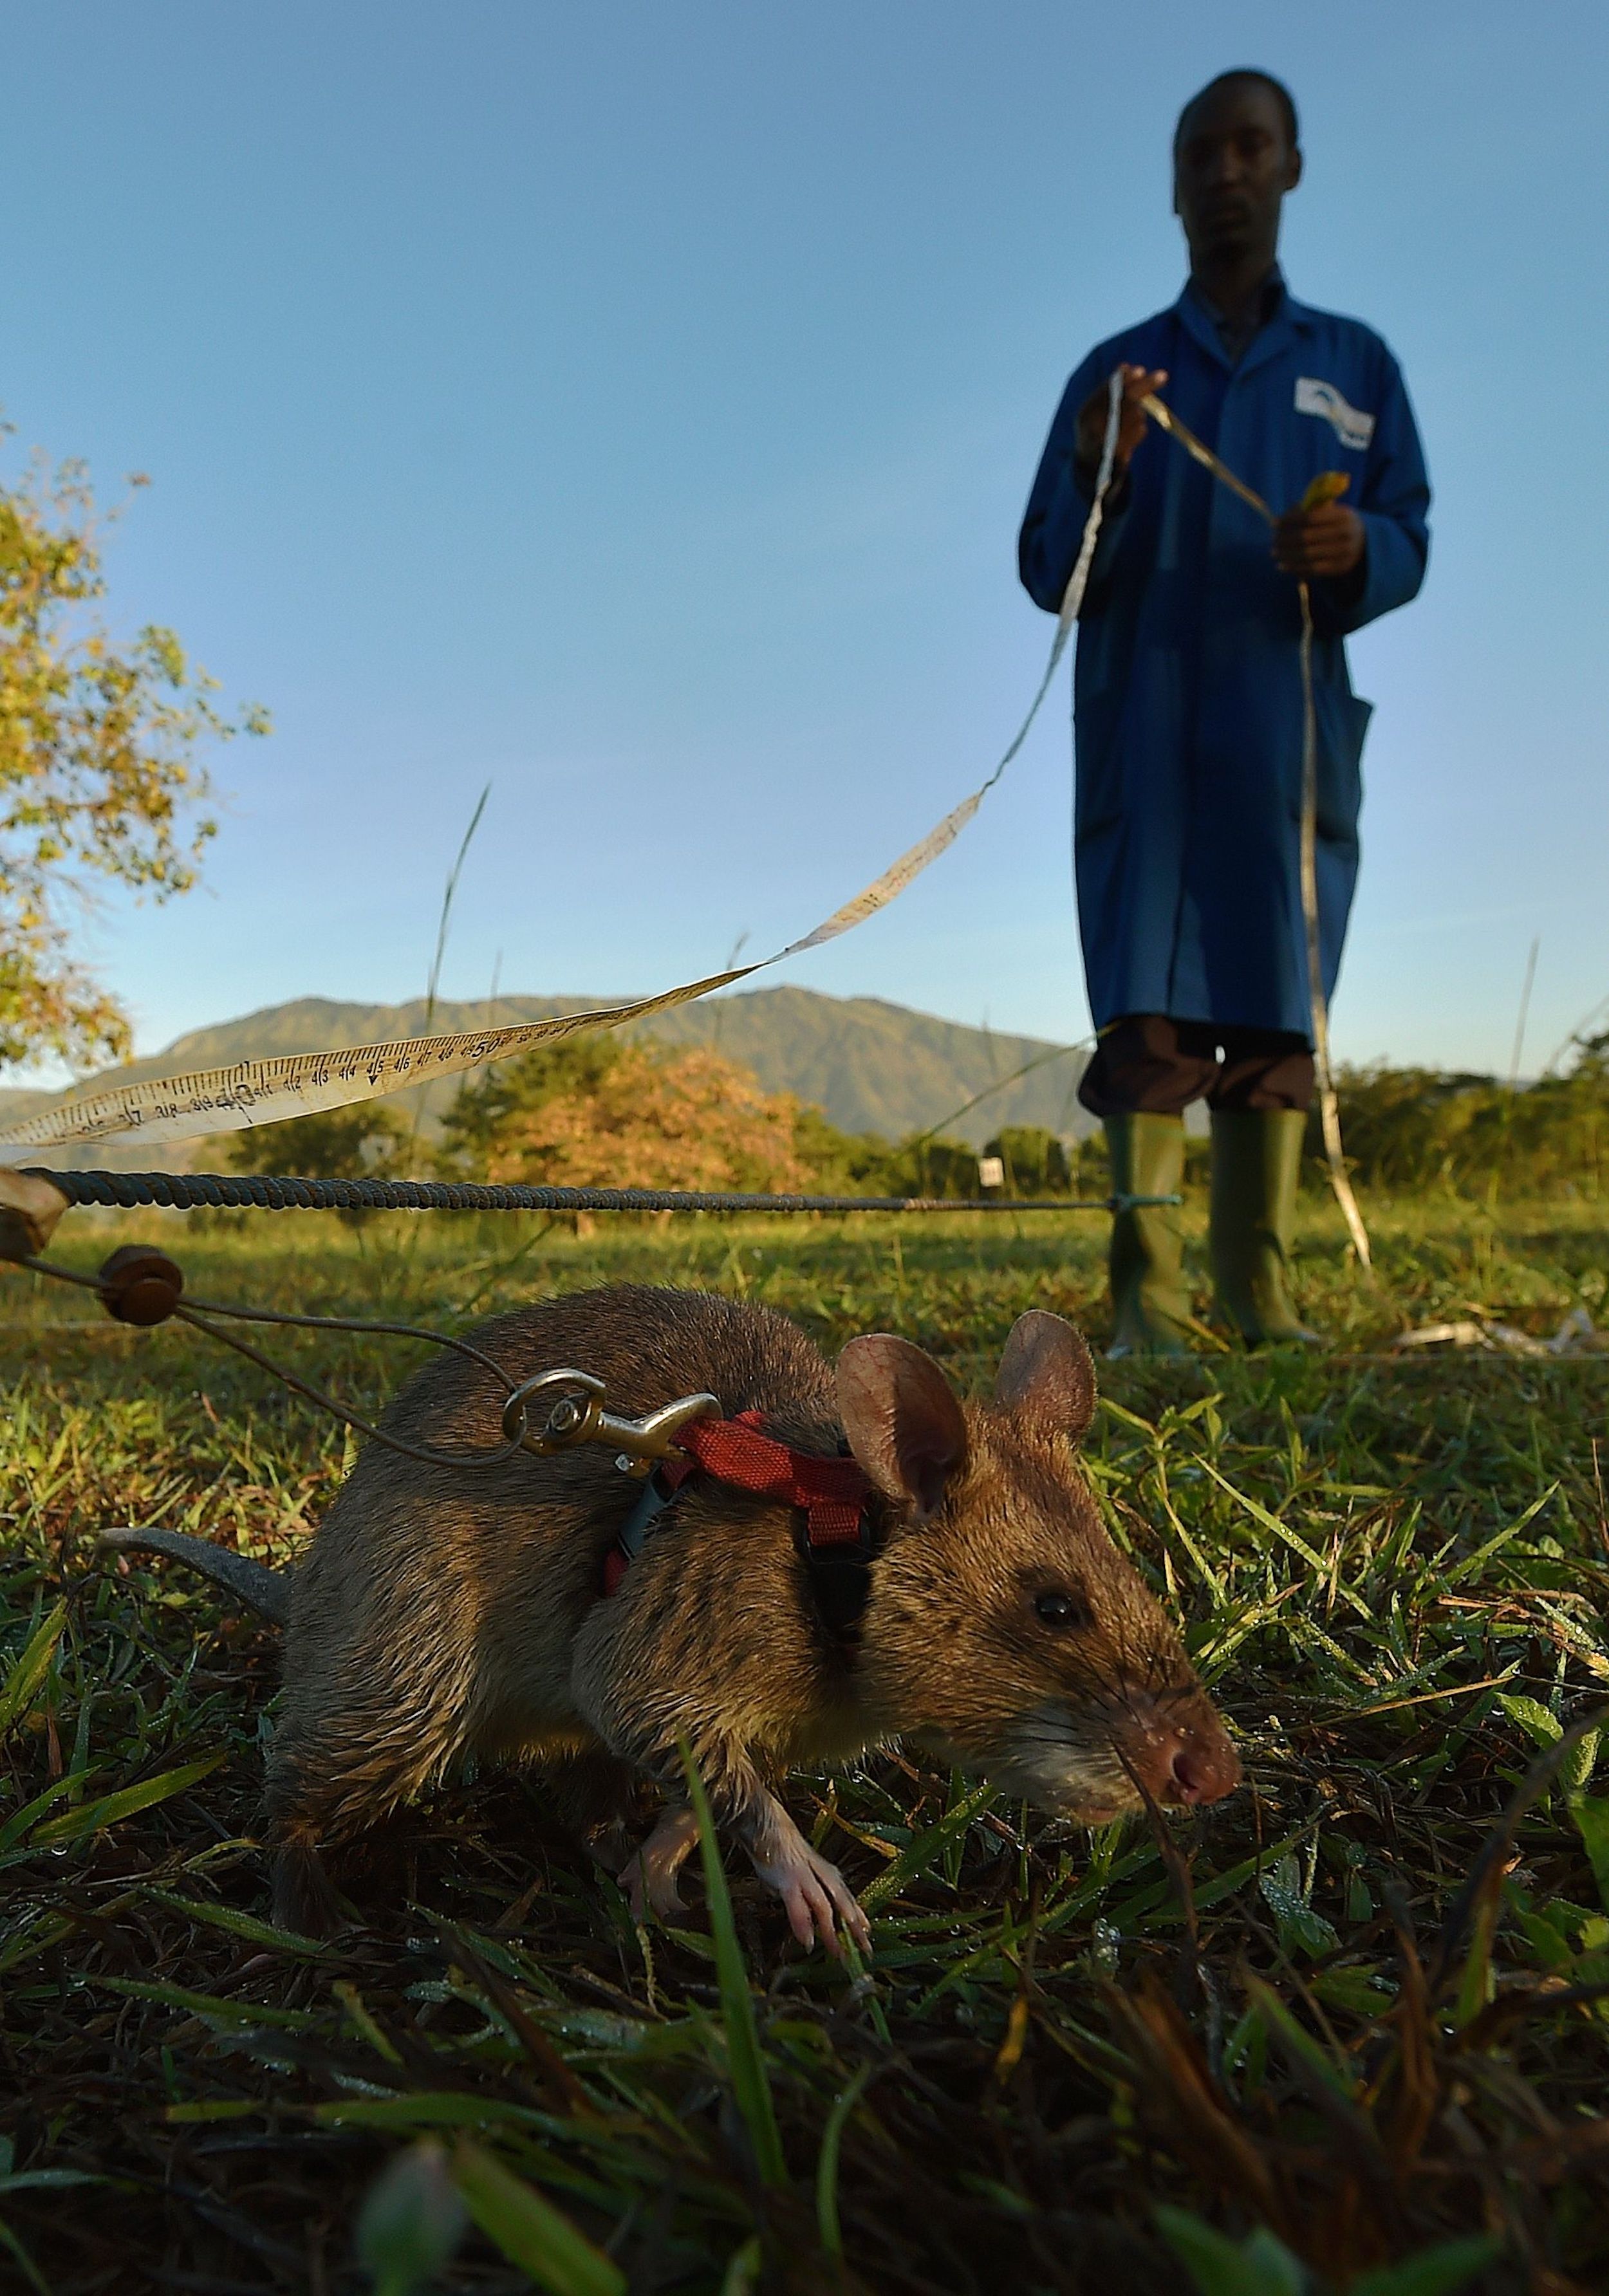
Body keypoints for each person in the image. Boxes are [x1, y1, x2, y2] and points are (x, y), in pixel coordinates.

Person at [1019, 69, 1429, 1353]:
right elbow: (1048, 567)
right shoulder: (1116, 377)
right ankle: (1141, 1301)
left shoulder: (1353, 365)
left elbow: (1410, 533)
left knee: (1271, 1018)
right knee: (1142, 1023)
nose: (1225, 171)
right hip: (1142, 746)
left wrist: (1356, 542)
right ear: (1174, 180)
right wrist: (1102, 466)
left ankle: (1258, 1292)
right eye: (1201, 152)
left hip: (1280, 745)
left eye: (1250, 147)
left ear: (1290, 167)